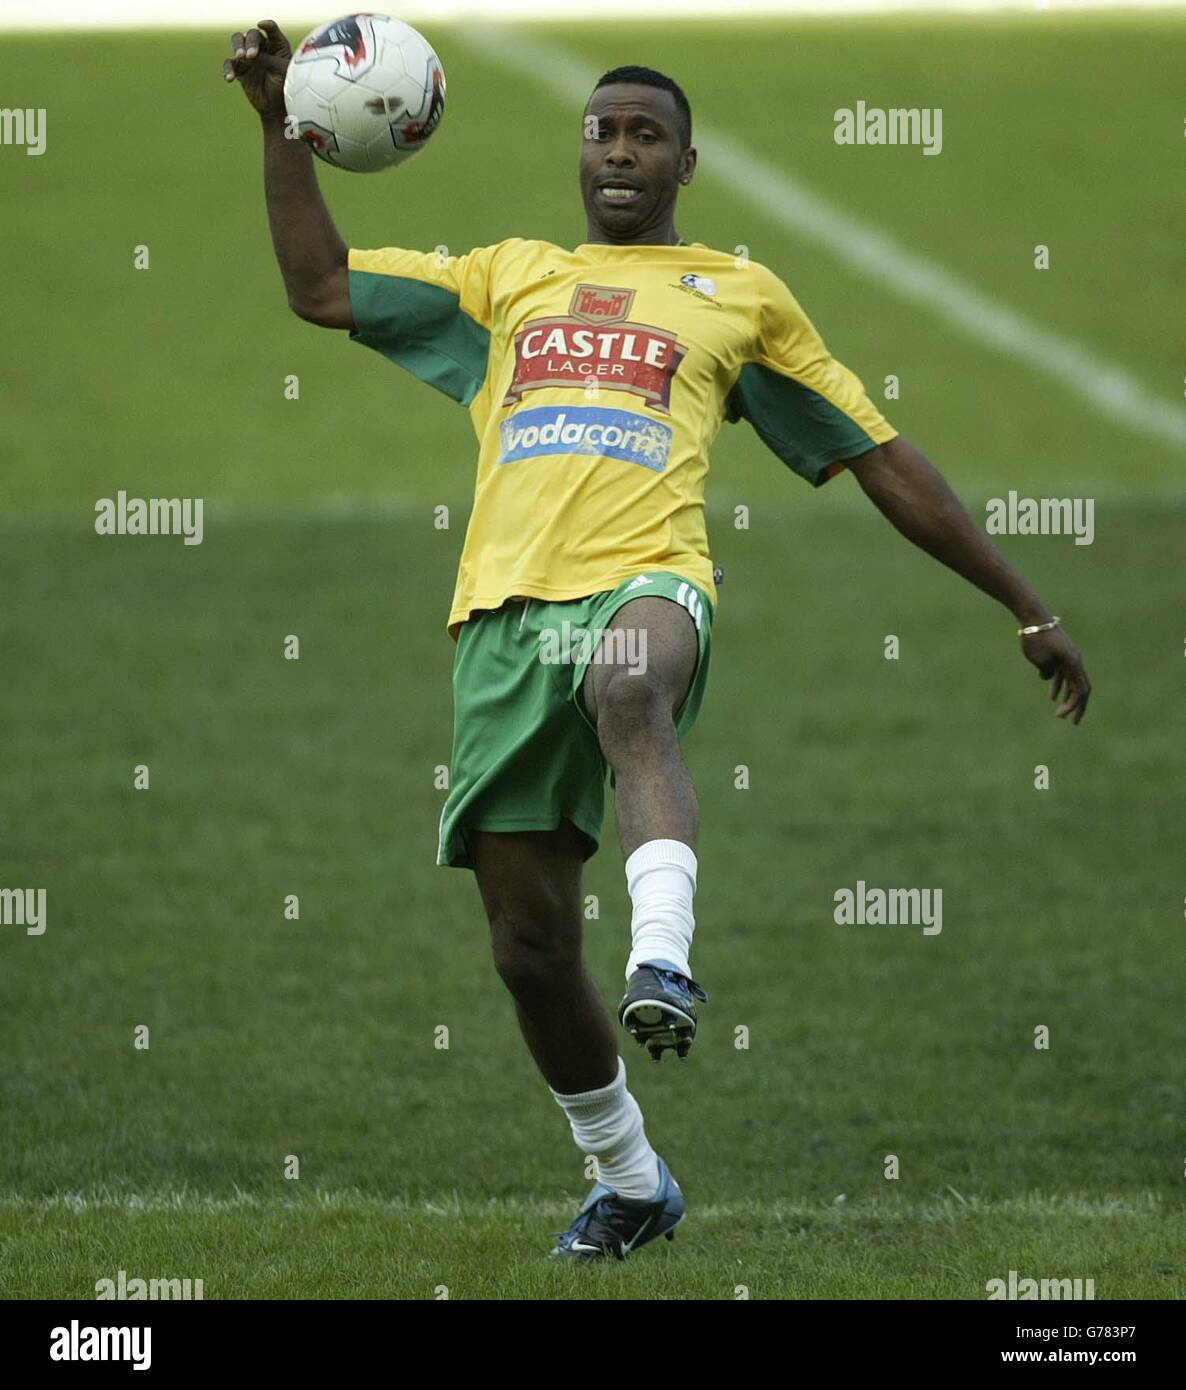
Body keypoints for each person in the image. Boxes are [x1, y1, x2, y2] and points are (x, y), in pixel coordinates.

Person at [225, 19, 1091, 1261]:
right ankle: (629, 1177)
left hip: (649, 580)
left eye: (646, 137)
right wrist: (277, 129)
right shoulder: (508, 279)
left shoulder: (739, 299)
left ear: (687, 165)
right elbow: (320, 286)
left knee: (631, 691)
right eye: (601, 134)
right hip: (502, 618)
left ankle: (666, 961)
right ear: (579, 155)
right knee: (527, 948)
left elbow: (880, 460)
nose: (619, 153)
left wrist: (1027, 605)